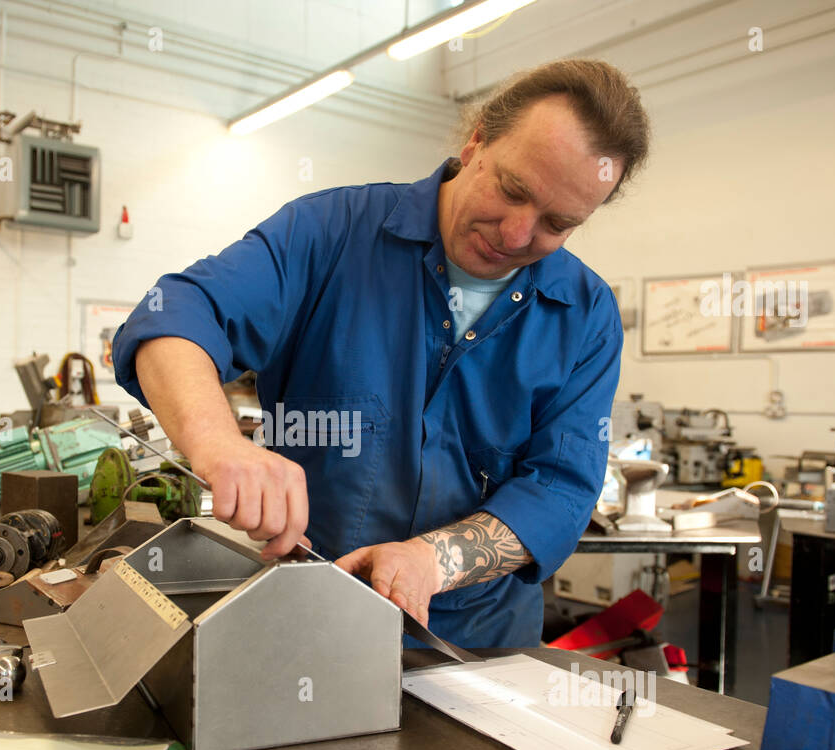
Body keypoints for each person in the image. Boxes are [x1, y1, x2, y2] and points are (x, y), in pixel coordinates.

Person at [112, 59, 650, 649]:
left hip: (479, 651)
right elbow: (176, 314)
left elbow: (561, 488)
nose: (516, 235)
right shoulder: (328, 234)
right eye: (513, 190)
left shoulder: (587, 314)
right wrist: (217, 444)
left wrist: (432, 561)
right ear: (475, 142)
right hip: (311, 626)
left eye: (557, 223)